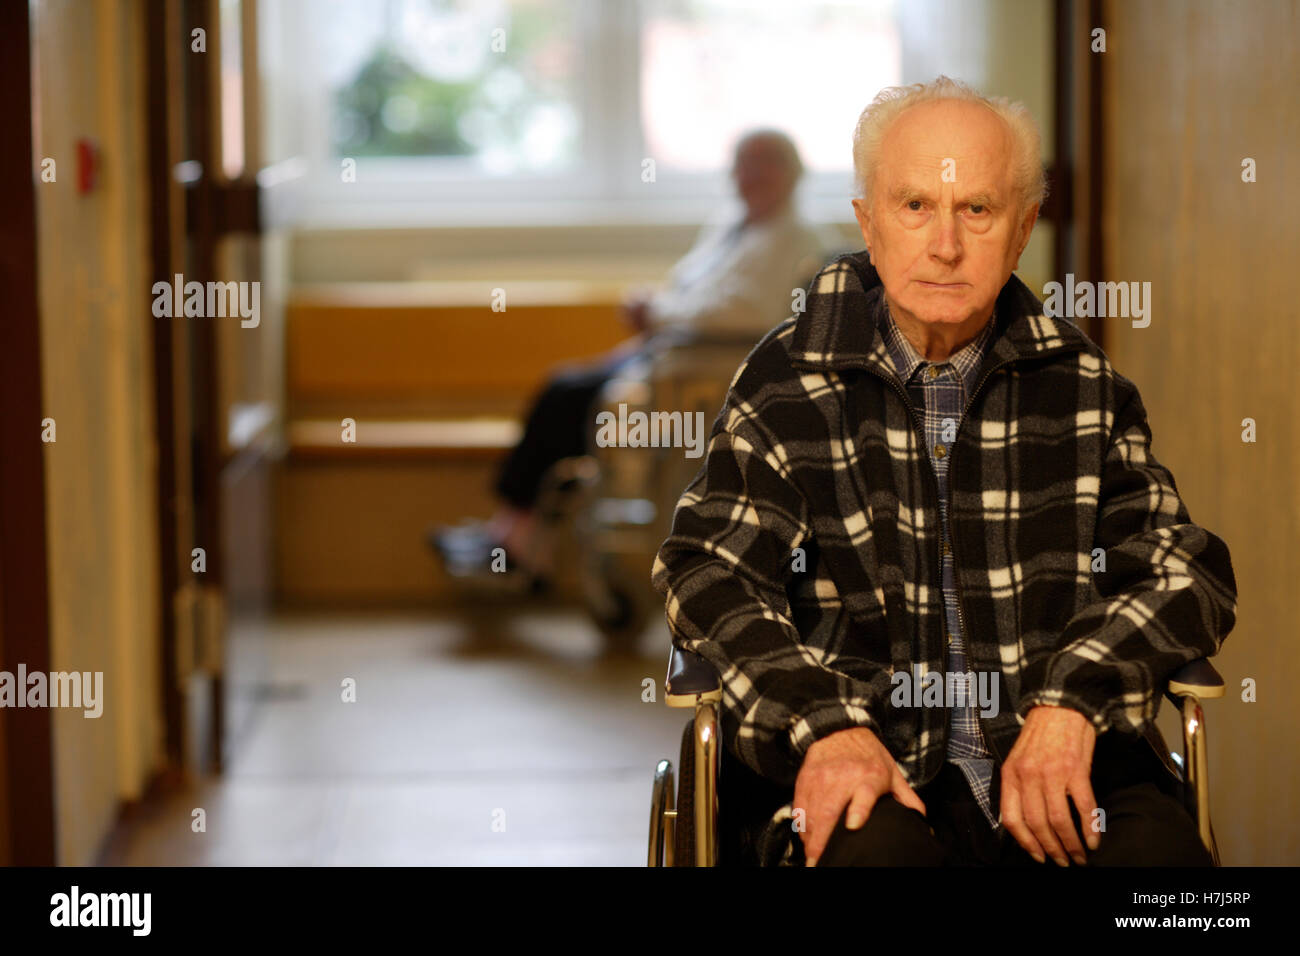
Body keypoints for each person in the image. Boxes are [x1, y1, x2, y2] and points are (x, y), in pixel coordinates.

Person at [651, 76, 1238, 867]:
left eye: (978, 210)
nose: (946, 244)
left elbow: (1188, 571)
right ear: (868, 221)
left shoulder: (1080, 383)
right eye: (916, 206)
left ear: (1024, 226)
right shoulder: (786, 380)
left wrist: (1071, 704)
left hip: (1064, 760)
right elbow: (706, 572)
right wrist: (825, 723)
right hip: (861, 759)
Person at [434, 129, 829, 581]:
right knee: (563, 387)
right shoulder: (734, 225)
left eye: (764, 163)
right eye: (743, 163)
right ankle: (514, 531)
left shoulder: (797, 238)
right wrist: (656, 308)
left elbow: (745, 313)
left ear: (794, 170)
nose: (751, 174)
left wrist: (659, 312)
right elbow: (694, 290)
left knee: (569, 396)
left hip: (704, 372)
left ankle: (518, 537)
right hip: (672, 353)